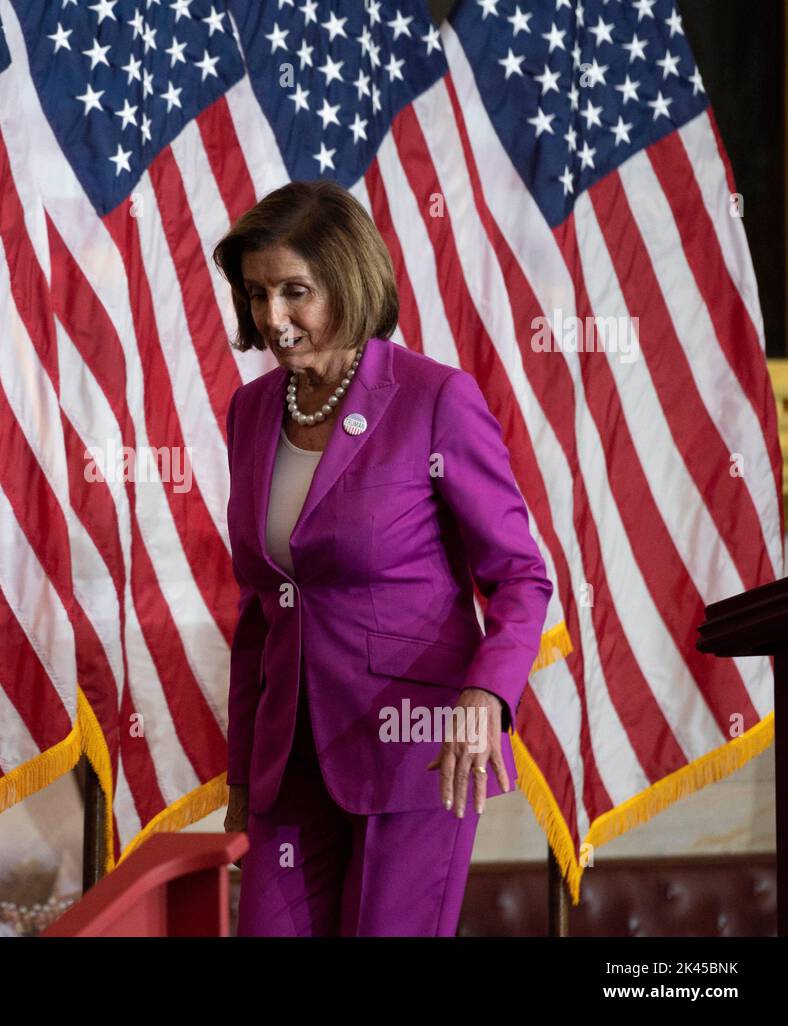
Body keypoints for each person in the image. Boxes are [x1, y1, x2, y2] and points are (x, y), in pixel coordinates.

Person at [213, 180, 553, 937]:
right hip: (288, 761)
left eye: (295, 292)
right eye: (257, 293)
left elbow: (520, 576)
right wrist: (242, 774)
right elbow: (260, 611)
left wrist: (485, 699)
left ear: (347, 280)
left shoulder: (436, 399)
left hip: (417, 752)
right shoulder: (253, 411)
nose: (274, 318)